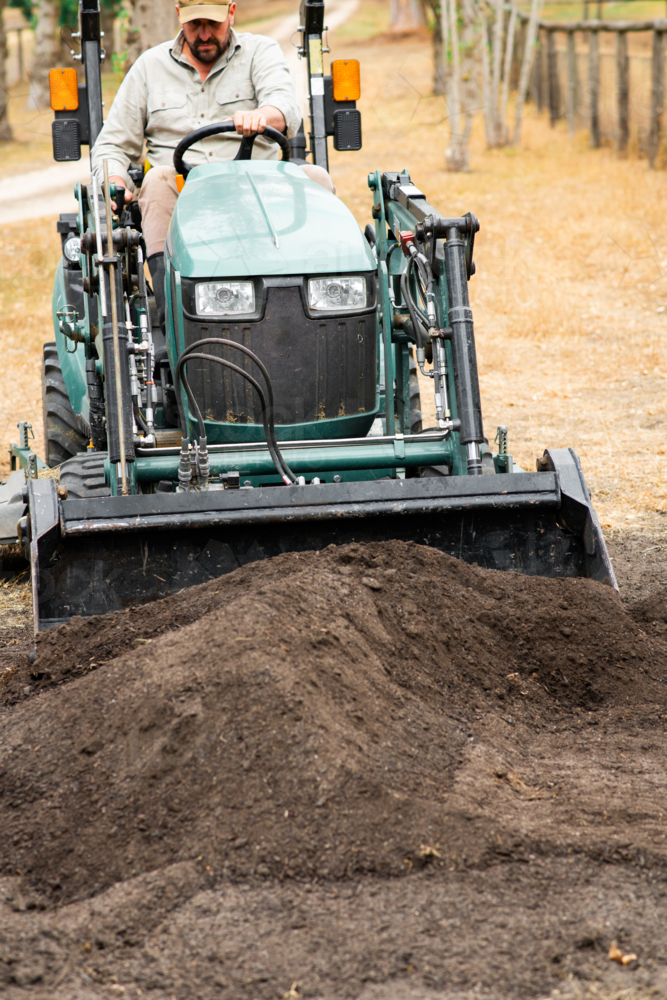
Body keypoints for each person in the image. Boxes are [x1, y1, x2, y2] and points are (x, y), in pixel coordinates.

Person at [90, 0, 334, 318]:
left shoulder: (260, 52)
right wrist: (114, 180)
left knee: (317, 178)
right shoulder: (149, 67)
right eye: (194, 25)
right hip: (182, 189)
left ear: (231, 13)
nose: (204, 34)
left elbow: (285, 106)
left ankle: (323, 299)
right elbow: (112, 144)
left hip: (258, 185)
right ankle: (173, 314)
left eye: (213, 24)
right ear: (179, 16)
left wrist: (262, 115)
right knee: (157, 179)